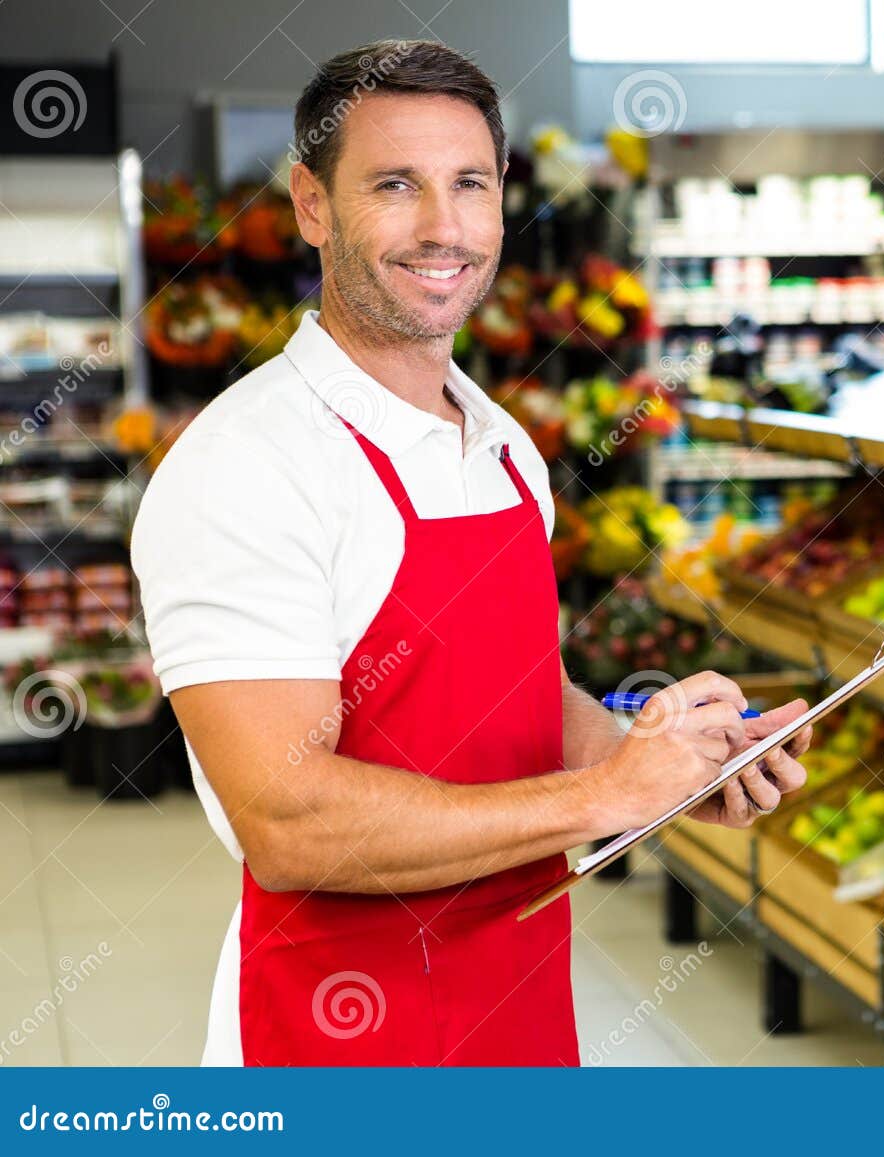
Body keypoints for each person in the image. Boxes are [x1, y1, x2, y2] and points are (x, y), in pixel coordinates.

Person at [131, 40, 810, 1067]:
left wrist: (656, 760)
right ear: (313, 205)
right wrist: (602, 797)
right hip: (338, 1027)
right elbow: (286, 819)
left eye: (471, 184)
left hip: (521, 1000)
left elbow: (522, 701)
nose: (443, 228)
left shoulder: (499, 446)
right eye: (395, 185)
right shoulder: (246, 463)